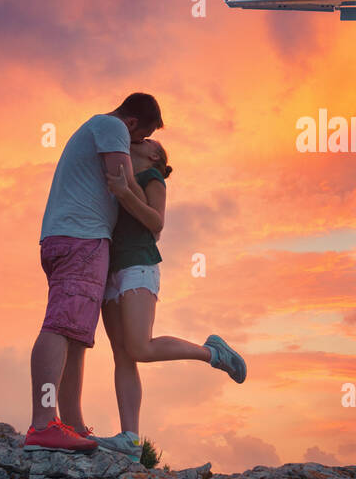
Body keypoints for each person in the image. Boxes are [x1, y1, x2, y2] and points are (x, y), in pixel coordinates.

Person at [24, 93, 162, 452]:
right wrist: (150, 208)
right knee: (59, 327)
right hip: (81, 238)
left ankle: (71, 424)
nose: (136, 146)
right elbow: (123, 181)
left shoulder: (98, 127)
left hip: (73, 237)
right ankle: (43, 424)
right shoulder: (112, 125)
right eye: (138, 138)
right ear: (131, 124)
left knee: (75, 334)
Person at [94, 137, 246, 458]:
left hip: (138, 264)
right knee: (122, 356)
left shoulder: (152, 178)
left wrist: (123, 192)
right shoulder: (123, 174)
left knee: (139, 346)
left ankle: (212, 353)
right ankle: (131, 440)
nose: (138, 139)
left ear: (154, 154)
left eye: (146, 139)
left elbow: (156, 222)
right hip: (109, 267)